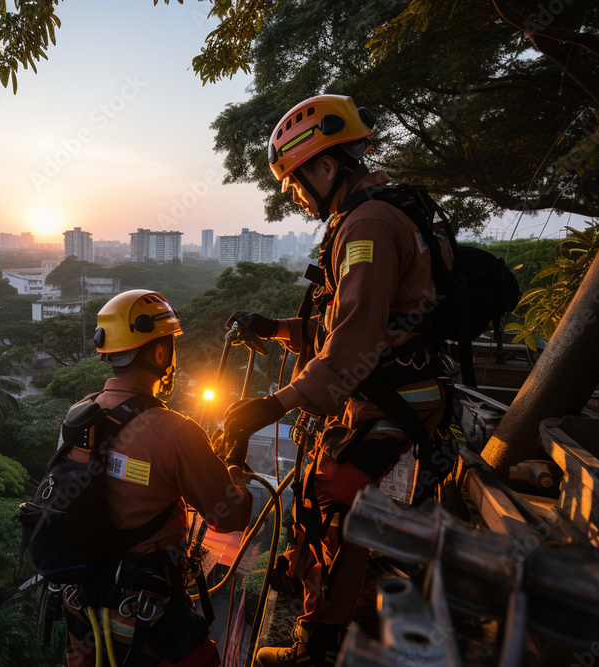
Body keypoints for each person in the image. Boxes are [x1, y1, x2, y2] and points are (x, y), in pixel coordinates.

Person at [222, 94, 451, 666]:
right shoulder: (373, 214)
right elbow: (345, 325)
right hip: (390, 394)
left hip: (395, 401)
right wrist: (275, 328)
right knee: (321, 494)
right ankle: (321, 600)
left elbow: (354, 342)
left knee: (333, 495)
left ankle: (318, 645)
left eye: (295, 182)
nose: (295, 197)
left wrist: (272, 405)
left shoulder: (367, 225)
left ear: (326, 165)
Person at [63, 289, 253, 667]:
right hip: (145, 616)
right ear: (162, 352)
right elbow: (230, 515)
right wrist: (235, 471)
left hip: (82, 608)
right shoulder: (176, 432)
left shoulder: (78, 416)